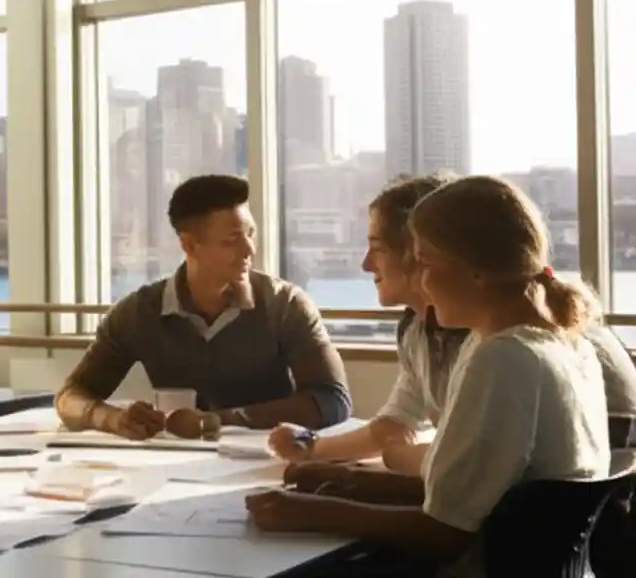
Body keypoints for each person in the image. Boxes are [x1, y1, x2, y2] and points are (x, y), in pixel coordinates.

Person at [246, 175, 612, 574]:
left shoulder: (502, 358)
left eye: (425, 263)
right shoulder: (566, 343)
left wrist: (310, 512)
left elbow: (446, 531)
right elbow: (474, 494)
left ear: (476, 269)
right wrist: (351, 481)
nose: (421, 281)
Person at [57, 175, 352, 441]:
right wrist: (114, 419)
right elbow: (70, 396)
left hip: (267, 459)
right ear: (189, 245)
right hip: (171, 465)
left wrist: (216, 421)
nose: (249, 249)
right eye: (232, 240)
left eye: (250, 234)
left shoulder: (285, 305)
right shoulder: (138, 313)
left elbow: (332, 399)